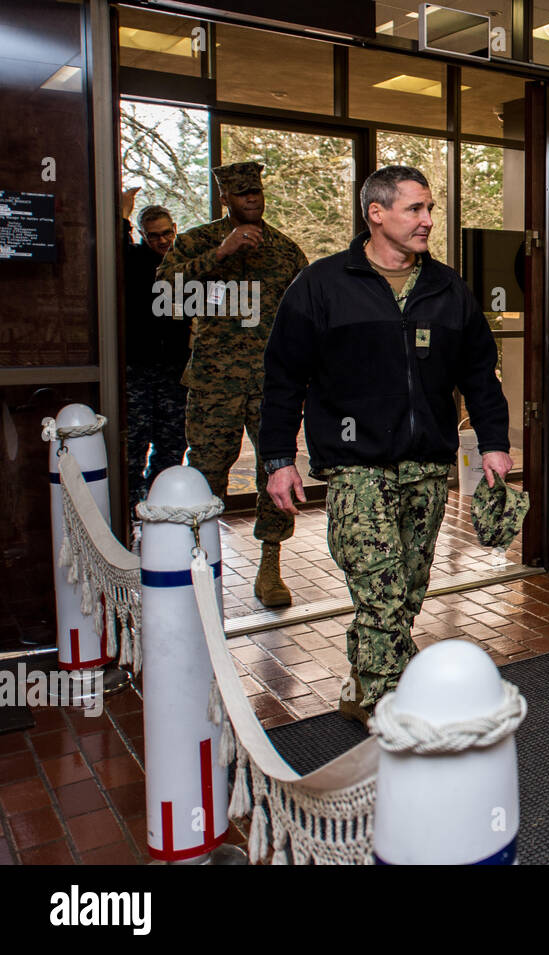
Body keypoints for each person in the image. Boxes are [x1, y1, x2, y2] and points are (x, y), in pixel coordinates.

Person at [261, 164, 512, 721]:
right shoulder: (321, 285)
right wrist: (278, 459)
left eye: (429, 209)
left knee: (410, 586)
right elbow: (282, 379)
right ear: (376, 213)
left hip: (425, 465)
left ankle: (375, 674)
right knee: (379, 585)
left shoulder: (449, 289)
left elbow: (479, 374)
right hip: (356, 466)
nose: (427, 220)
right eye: (415, 209)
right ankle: (380, 699)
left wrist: (494, 443)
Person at [158, 161, 307, 607]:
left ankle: (270, 566)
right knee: (206, 474)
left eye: (256, 193)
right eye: (242, 194)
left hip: (269, 387)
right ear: (226, 199)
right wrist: (218, 255)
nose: (252, 200)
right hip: (213, 383)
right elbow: (164, 290)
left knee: (275, 472)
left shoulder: (284, 250)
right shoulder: (198, 242)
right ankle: (198, 564)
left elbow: (306, 314)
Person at [120, 191, 188, 505]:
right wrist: (122, 215)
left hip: (176, 368)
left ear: (175, 228)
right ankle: (133, 499)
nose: (162, 241)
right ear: (143, 235)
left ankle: (162, 498)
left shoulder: (187, 263)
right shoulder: (133, 259)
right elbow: (114, 245)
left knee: (173, 439)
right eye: (154, 236)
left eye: (167, 233)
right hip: (139, 366)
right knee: (135, 438)